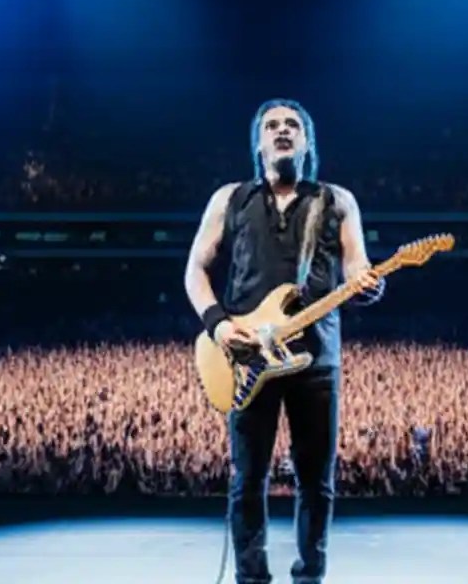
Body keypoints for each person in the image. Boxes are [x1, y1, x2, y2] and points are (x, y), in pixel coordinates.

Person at [184, 98, 385, 584]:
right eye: (271, 125)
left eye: (292, 125)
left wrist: (369, 282)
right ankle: (252, 578)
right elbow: (195, 271)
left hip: (317, 358)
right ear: (258, 143)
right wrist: (221, 326)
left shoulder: (335, 200)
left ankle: (309, 576)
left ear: (307, 141)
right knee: (247, 478)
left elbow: (356, 263)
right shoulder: (230, 199)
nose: (282, 130)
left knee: (317, 482)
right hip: (247, 355)